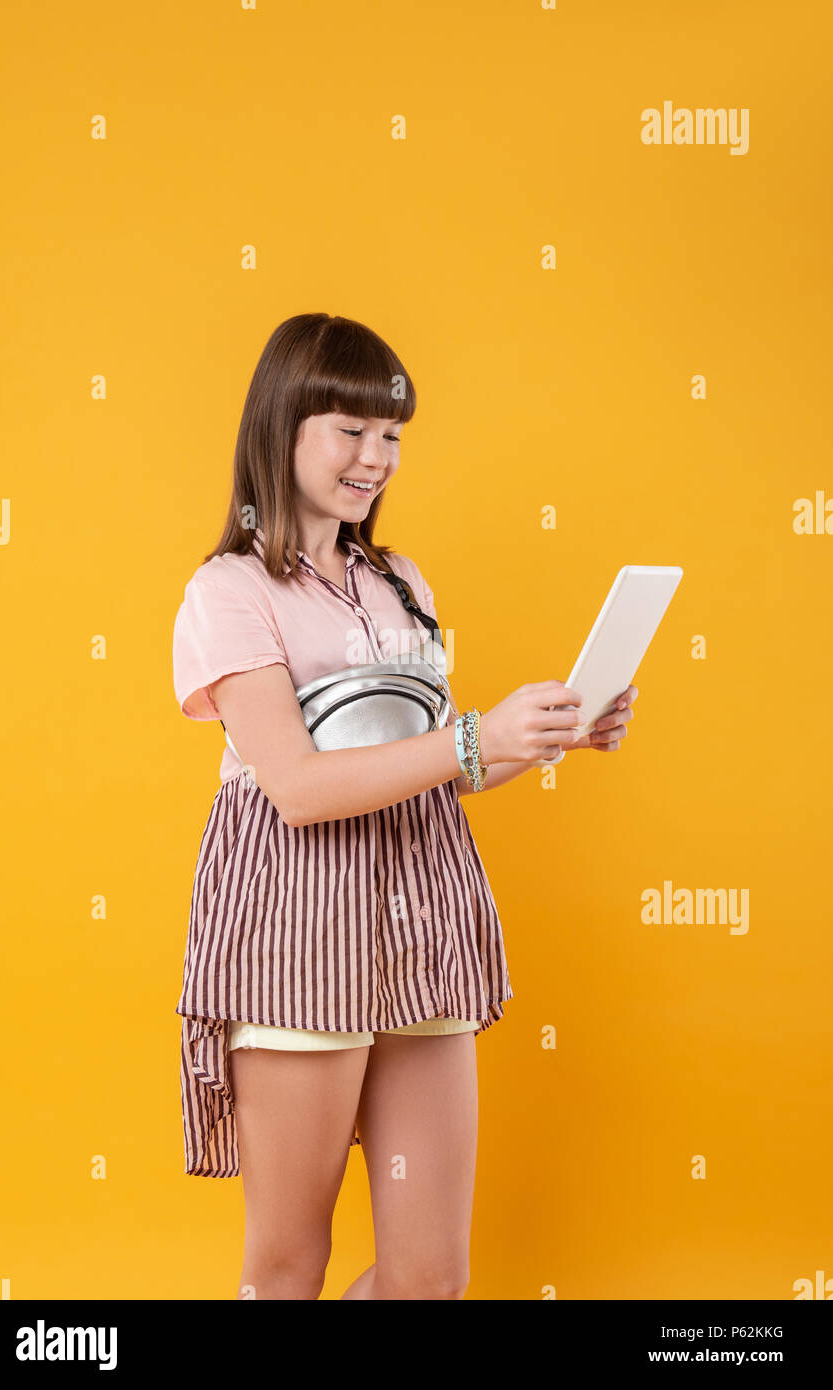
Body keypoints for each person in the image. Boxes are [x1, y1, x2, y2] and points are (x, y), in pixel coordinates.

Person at [171, 311, 637, 1301]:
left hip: (421, 918)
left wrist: (547, 732)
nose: (376, 457)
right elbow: (295, 786)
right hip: (297, 920)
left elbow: (431, 766)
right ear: (283, 424)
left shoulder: (399, 582)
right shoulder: (230, 590)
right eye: (351, 429)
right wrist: (473, 735)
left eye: (391, 437)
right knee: (289, 1263)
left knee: (431, 1276)